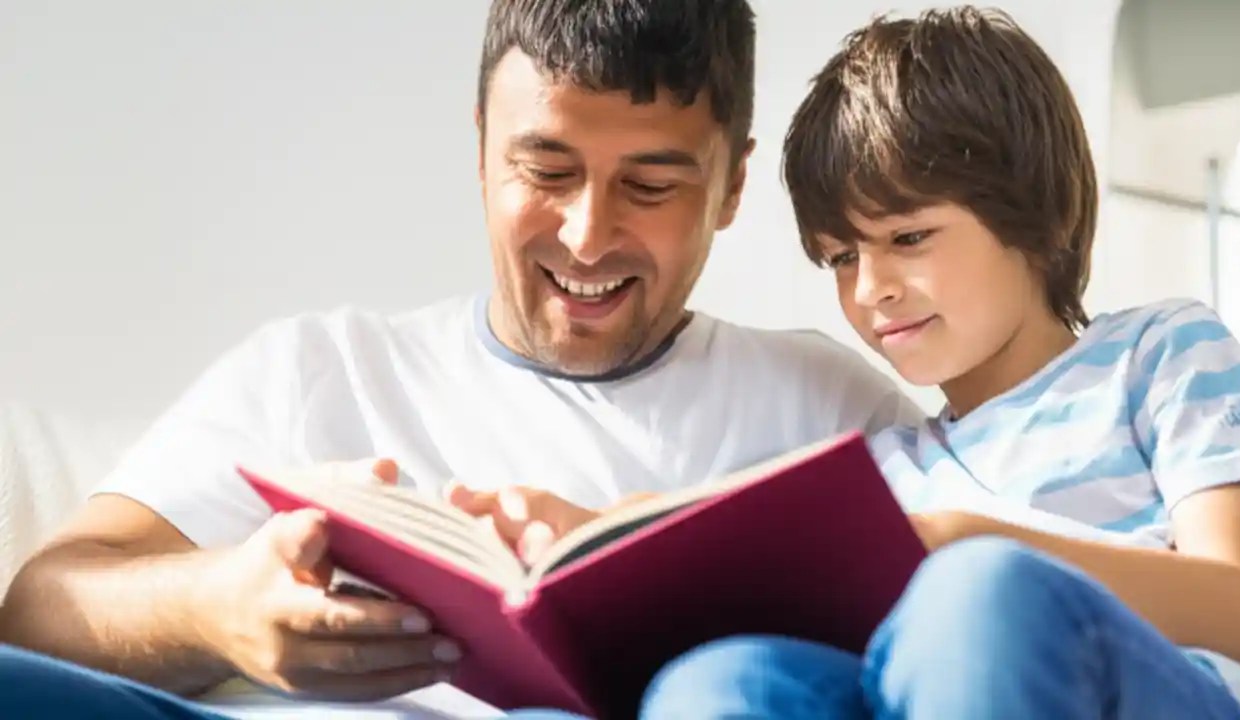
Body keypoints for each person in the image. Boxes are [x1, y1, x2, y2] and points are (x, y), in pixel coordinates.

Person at [0, 0, 919, 710]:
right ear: (482, 149)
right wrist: (218, 609)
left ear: (730, 189)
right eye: (546, 171)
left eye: (650, 184)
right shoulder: (323, 367)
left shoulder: (828, 414)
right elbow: (44, 604)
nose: (588, 235)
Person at [505, 7, 1240, 719]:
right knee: (719, 682)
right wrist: (597, 543)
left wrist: (963, 544)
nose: (871, 289)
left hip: (1166, 692)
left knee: (979, 595)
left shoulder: (1161, 353)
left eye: (908, 238)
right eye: (841, 257)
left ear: (1032, 217)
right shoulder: (891, 467)